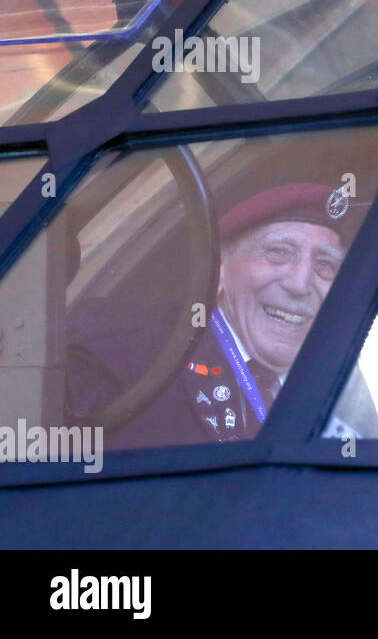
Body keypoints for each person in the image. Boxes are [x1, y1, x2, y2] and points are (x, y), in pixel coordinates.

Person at [66, 182, 353, 449]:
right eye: (278, 252)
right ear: (219, 270)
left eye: (325, 265)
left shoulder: (350, 391)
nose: (300, 284)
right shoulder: (124, 355)